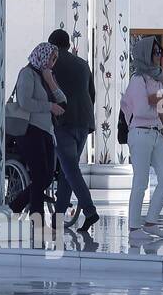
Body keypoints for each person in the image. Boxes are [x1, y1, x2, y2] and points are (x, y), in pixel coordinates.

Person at [121, 36, 163, 243]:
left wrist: (156, 99)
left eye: (160, 52)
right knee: (141, 181)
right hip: (140, 133)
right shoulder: (138, 80)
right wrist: (159, 99)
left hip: (156, 132)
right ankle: (134, 227)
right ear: (145, 54)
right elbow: (141, 109)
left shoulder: (157, 78)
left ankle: (151, 221)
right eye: (155, 53)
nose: (159, 56)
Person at [47, 29, 100, 231]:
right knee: (68, 170)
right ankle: (58, 217)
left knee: (70, 170)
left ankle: (90, 211)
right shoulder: (83, 64)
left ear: (52, 45)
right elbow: (91, 94)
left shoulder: (51, 65)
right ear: (68, 45)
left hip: (63, 122)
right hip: (84, 123)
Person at [8, 42, 67, 226]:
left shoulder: (46, 76)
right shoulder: (27, 74)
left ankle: (16, 205)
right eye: (51, 58)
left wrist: (50, 81)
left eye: (55, 59)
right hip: (30, 131)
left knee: (48, 176)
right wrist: (49, 106)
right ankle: (37, 218)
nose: (53, 62)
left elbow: (63, 101)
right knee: (39, 175)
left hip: (46, 131)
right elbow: (25, 102)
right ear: (42, 55)